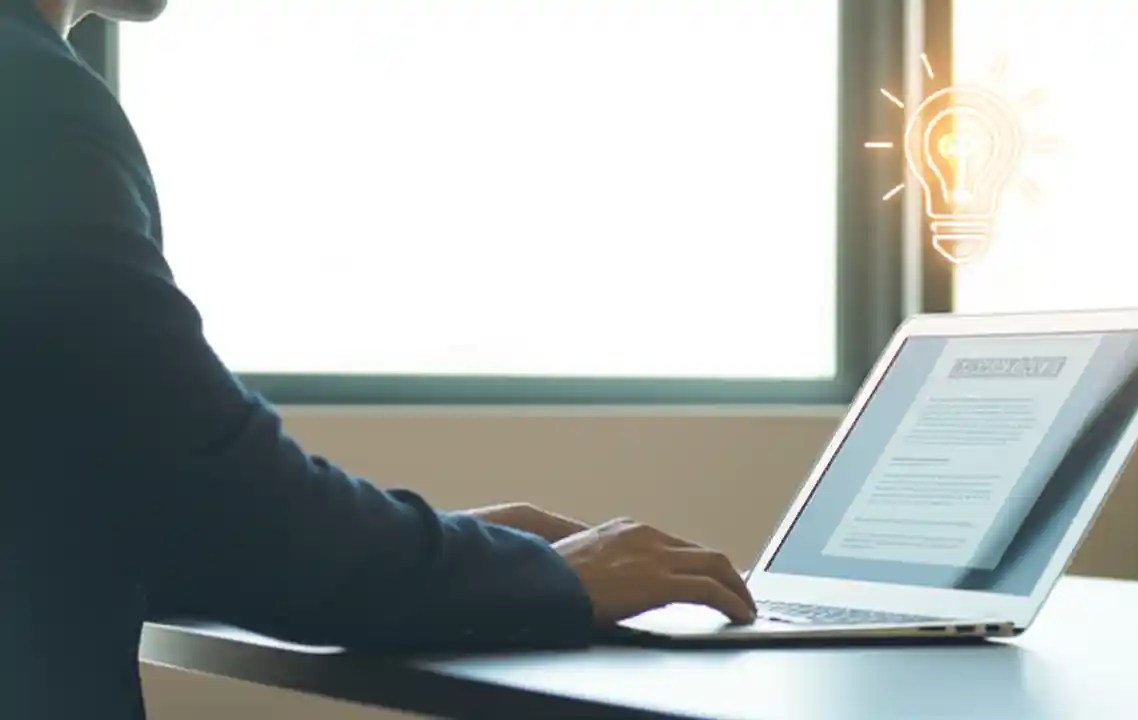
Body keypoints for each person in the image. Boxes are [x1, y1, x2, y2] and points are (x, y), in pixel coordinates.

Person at [0, 0, 756, 717]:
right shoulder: (31, 97)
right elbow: (204, 498)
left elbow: (99, 501)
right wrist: (539, 577)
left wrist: (452, 553)